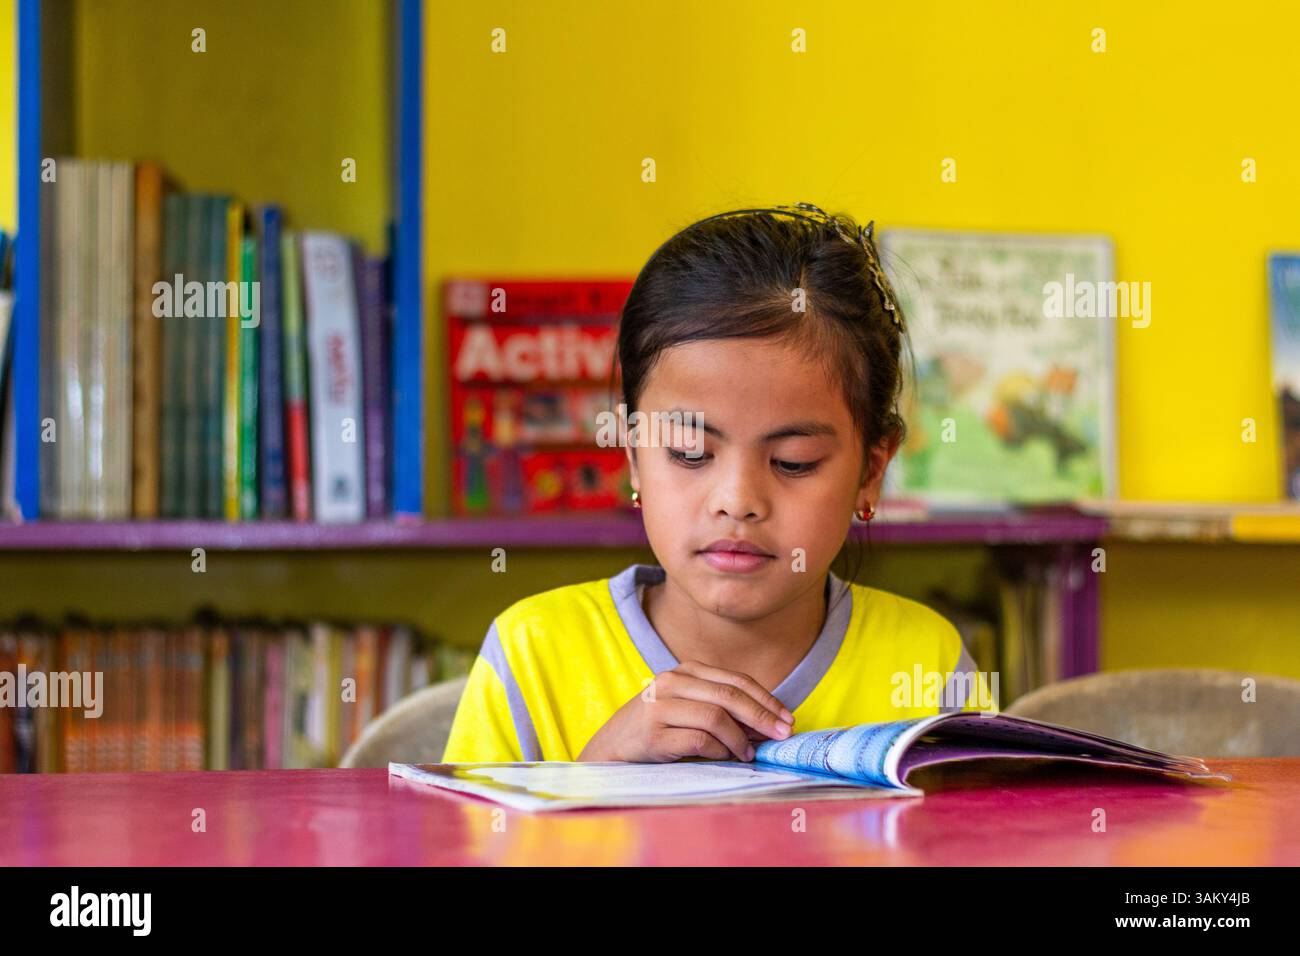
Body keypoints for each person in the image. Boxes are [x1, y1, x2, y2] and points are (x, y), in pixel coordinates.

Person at [443, 203, 992, 764]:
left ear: (871, 472)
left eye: (794, 462)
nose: (737, 501)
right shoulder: (532, 653)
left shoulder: (929, 662)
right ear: (634, 455)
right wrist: (591, 781)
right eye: (688, 452)